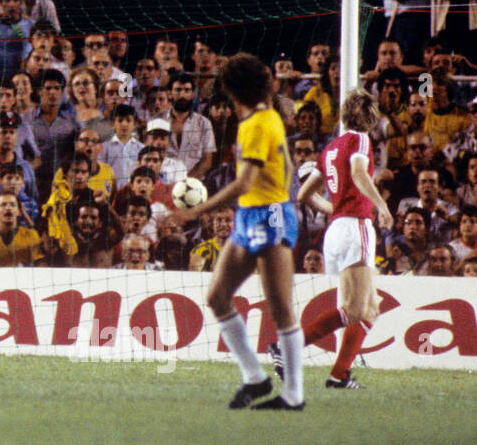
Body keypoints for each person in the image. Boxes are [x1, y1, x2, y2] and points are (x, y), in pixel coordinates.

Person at [169, 53, 303, 411]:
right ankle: (255, 378)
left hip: (271, 214)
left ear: (230, 90)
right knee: (217, 296)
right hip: (249, 216)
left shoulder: (259, 123)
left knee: (280, 308)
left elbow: (245, 181)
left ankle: (293, 395)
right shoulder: (259, 119)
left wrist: (195, 212)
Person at [287, 89, 395, 389]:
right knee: (354, 309)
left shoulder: (331, 148)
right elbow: (360, 174)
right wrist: (382, 205)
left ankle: (339, 374)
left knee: (369, 307)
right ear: (370, 119)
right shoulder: (360, 139)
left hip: (337, 229)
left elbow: (304, 194)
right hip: (355, 226)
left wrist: (333, 208)